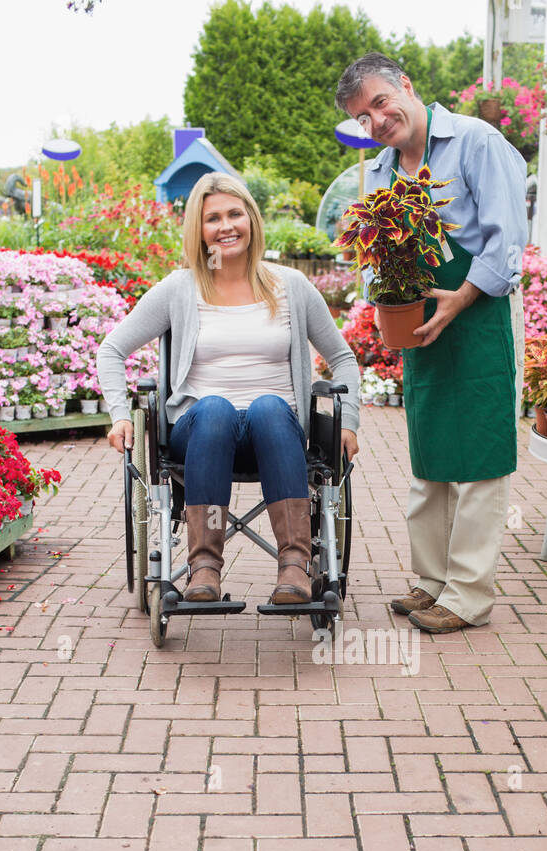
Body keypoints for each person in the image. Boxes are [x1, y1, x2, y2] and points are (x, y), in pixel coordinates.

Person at [97, 173, 360, 604]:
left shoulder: (291, 286)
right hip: (202, 432)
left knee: (270, 407)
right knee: (215, 407)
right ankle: (204, 568)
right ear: (198, 230)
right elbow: (112, 350)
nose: (226, 226)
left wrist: (347, 422)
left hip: (275, 433)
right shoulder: (179, 289)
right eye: (213, 218)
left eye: (235, 213)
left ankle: (295, 564)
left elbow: (343, 357)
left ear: (251, 219)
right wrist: (120, 415)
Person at [336, 53, 527, 633]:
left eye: (379, 103)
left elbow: (508, 239)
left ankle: (469, 594)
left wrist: (460, 297)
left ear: (406, 88)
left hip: (479, 314)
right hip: (421, 321)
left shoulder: (475, 142)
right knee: (431, 454)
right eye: (362, 117)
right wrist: (382, 302)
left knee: (480, 456)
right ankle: (432, 582)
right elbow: (374, 257)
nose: (375, 121)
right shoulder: (384, 172)